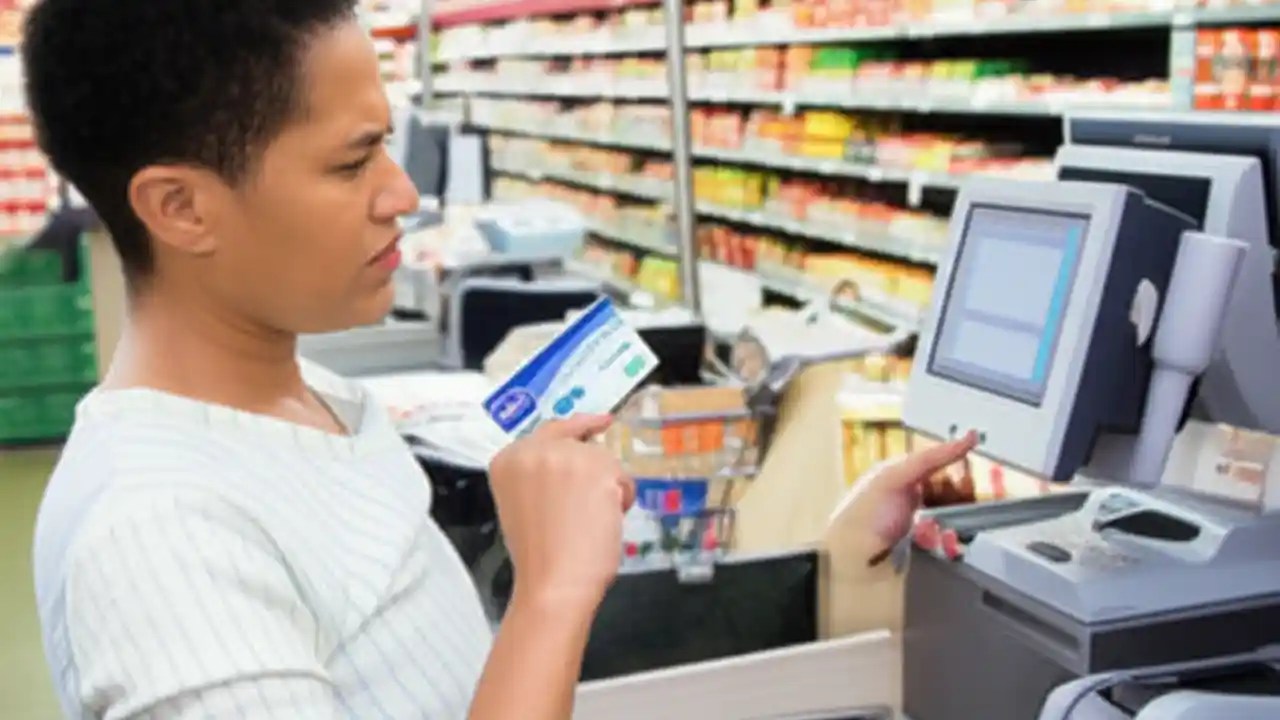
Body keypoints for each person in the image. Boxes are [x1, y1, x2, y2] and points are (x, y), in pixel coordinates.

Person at [24, 1, 979, 718]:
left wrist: (829, 564)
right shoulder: (157, 534)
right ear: (181, 208)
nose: (402, 195)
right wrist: (551, 590)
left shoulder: (314, 399)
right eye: (352, 164)